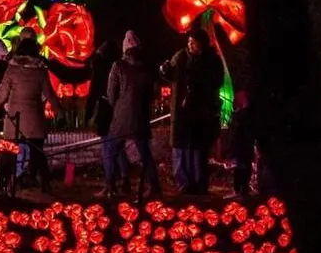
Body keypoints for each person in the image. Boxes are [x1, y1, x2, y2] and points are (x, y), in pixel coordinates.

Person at [0, 37, 64, 193]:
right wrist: (61, 113)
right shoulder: (40, 71)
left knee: (8, 153)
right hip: (34, 120)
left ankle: (2, 183)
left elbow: (1, 93)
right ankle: (45, 183)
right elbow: (50, 95)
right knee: (38, 153)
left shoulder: (12, 69)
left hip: (14, 120)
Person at [160, 27, 224, 195]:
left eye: (194, 43)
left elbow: (216, 80)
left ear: (202, 44)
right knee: (180, 147)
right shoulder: (180, 57)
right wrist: (165, 70)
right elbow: (171, 74)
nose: (190, 45)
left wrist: (198, 84)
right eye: (189, 42)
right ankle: (184, 183)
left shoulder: (211, 60)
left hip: (200, 112)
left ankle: (199, 183)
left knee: (197, 150)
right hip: (181, 112)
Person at [104, 31, 161, 199]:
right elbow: (152, 94)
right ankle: (154, 186)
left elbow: (111, 93)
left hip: (121, 116)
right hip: (140, 116)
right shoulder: (146, 68)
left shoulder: (118, 66)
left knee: (110, 149)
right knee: (145, 152)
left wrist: (116, 106)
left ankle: (110, 186)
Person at [86, 40, 130, 196]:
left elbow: (93, 92)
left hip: (106, 111)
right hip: (121, 111)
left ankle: (110, 184)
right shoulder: (123, 66)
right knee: (119, 147)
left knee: (108, 148)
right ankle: (125, 180)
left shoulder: (100, 68)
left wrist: (88, 113)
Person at [226, 90, 255, 199]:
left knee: (242, 167)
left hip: (243, 146)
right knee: (242, 167)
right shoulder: (243, 116)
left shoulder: (243, 116)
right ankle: (241, 189)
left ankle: (241, 189)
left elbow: (237, 133)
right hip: (243, 146)